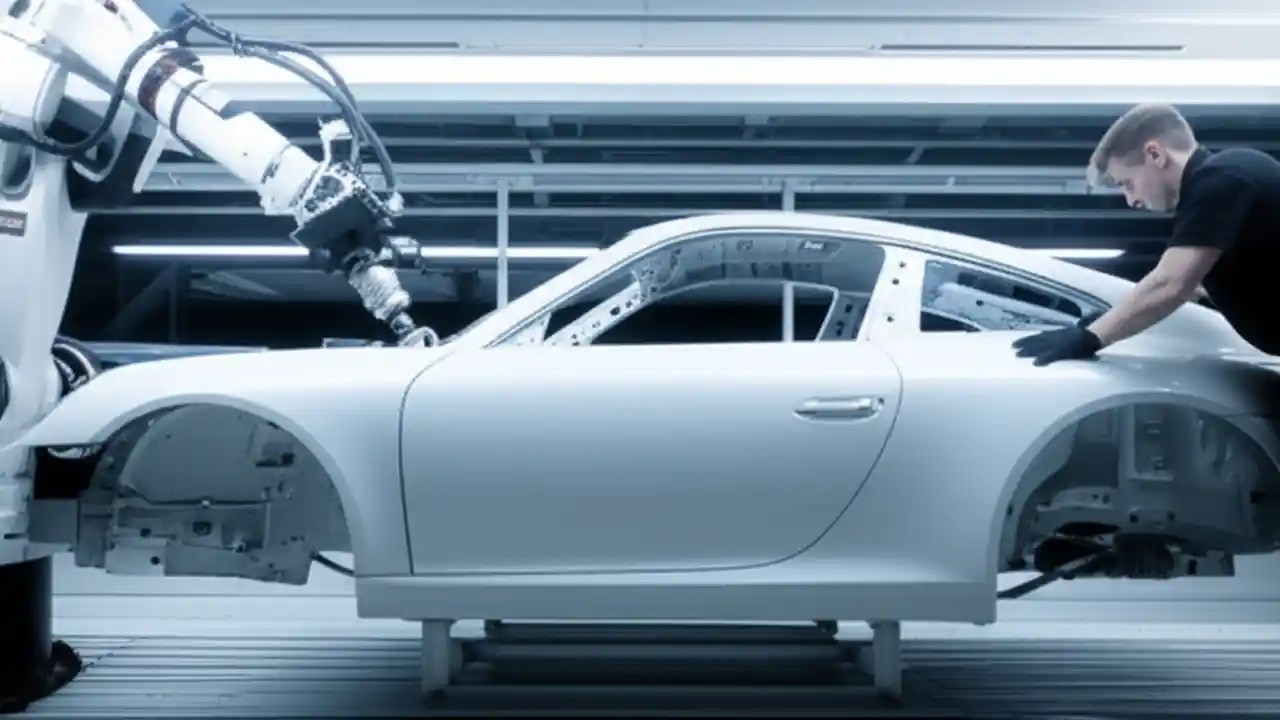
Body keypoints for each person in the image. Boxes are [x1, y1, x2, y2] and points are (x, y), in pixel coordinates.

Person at [1012, 103, 1280, 366]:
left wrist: (1090, 337)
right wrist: (1108, 318)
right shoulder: (1224, 181)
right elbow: (1191, 289)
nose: (1132, 201)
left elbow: (1171, 284)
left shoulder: (1222, 177)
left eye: (1127, 184)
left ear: (1155, 154)